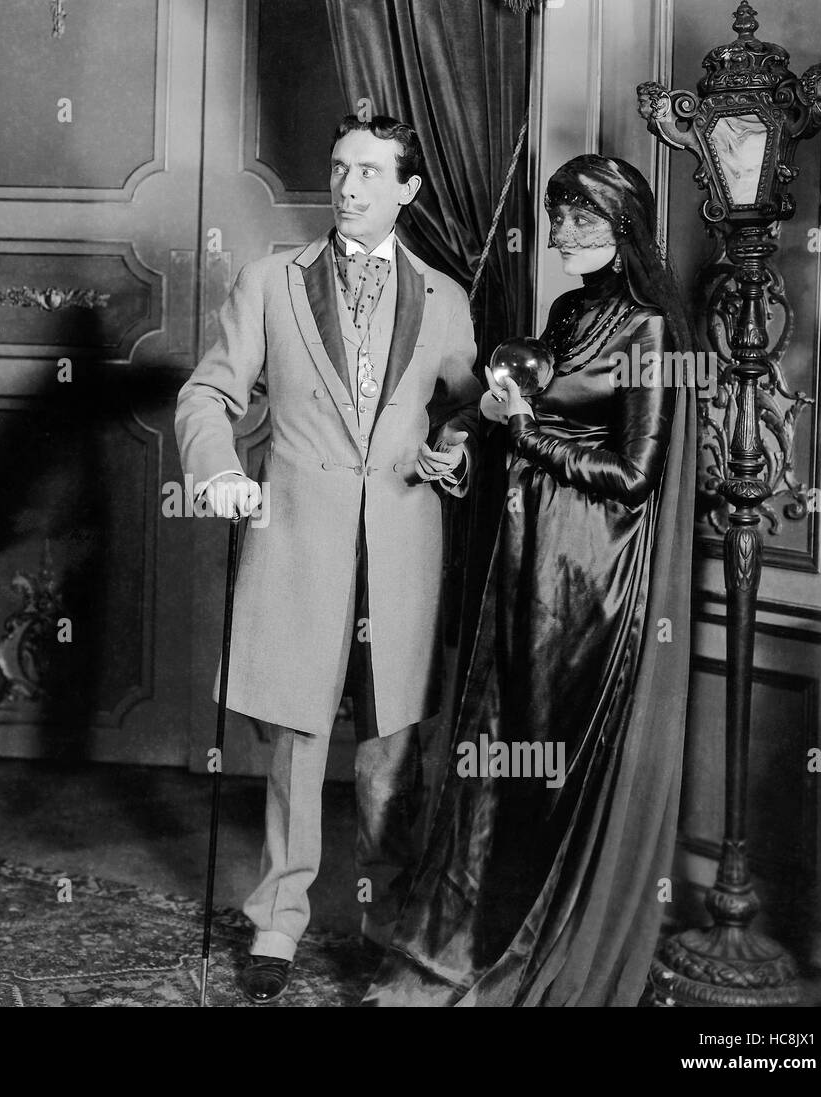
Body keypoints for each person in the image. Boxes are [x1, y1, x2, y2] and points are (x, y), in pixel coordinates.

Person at [365, 154, 697, 1006]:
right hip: (525, 559)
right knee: (501, 755)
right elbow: (507, 401)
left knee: (548, 765)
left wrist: (524, 431)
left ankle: (541, 944)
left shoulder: (650, 330)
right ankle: (472, 938)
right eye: (556, 216)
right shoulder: (565, 310)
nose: (562, 233)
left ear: (624, 228)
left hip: (591, 581)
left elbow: (634, 475)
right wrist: (475, 429)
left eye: (583, 219)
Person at [175, 114, 480, 1004]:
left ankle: (388, 925)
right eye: (339, 168)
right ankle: (278, 917)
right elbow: (207, 392)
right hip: (299, 542)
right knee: (299, 740)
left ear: (407, 191)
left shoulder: (447, 297)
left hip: (402, 550)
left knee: (390, 750)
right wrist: (219, 471)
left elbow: (459, 417)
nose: (347, 188)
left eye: (369, 174)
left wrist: (452, 450)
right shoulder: (271, 281)